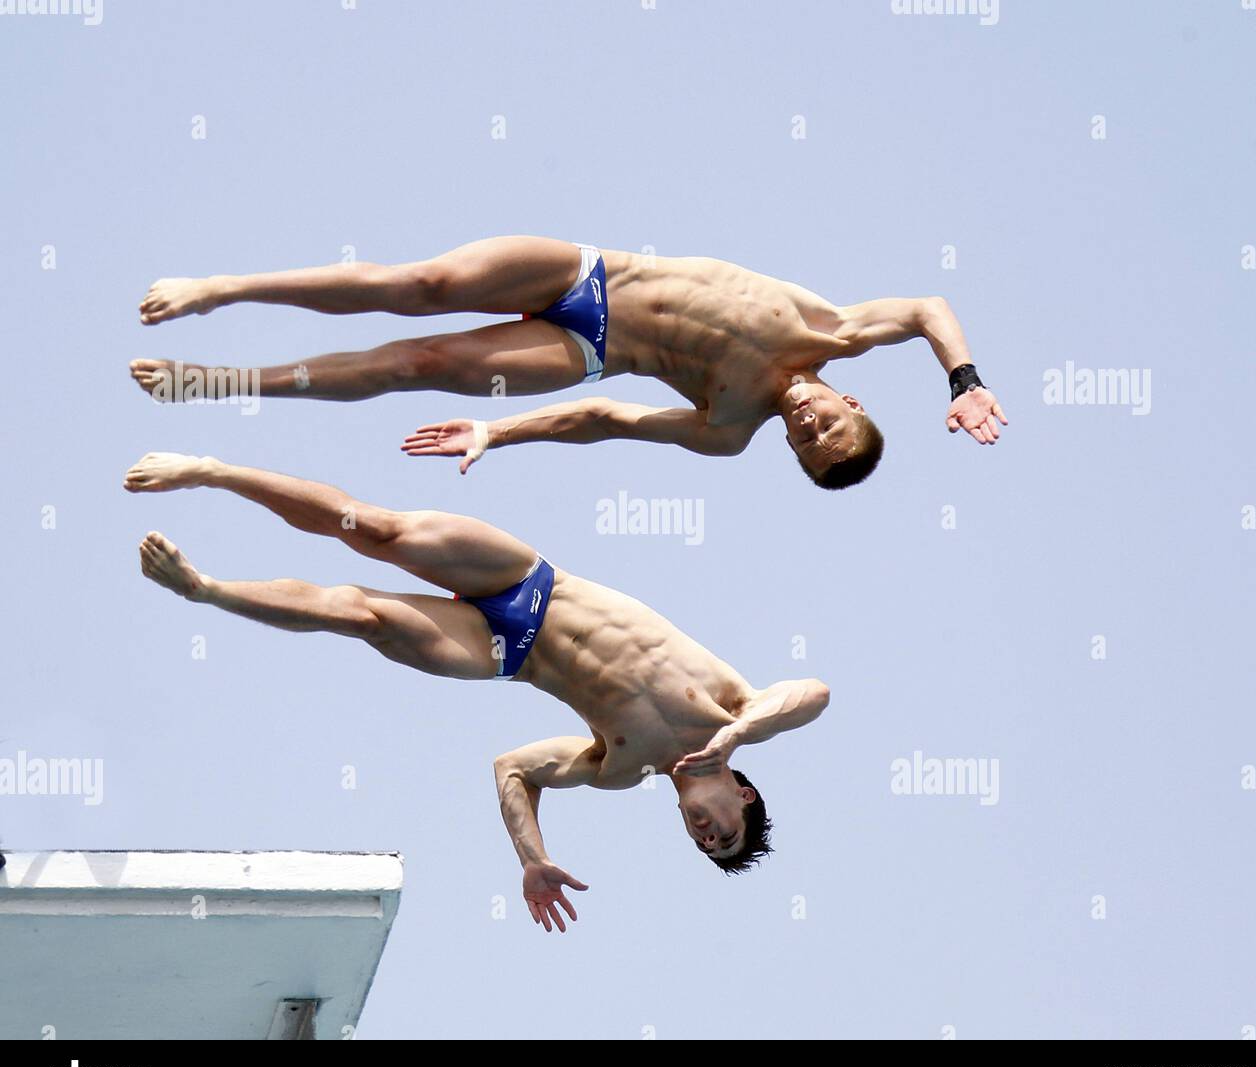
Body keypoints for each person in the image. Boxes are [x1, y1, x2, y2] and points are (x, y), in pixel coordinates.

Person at [124, 453, 831, 932]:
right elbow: (815, 692)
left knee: (361, 616)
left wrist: (530, 858)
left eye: (702, 845)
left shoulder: (622, 771)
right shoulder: (738, 712)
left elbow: (513, 769)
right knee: (372, 527)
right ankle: (211, 472)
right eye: (724, 831)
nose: (704, 833)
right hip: (532, 584)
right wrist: (734, 737)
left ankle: (205, 589)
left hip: (504, 650)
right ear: (743, 793)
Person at [133, 237, 1007, 489]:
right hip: (591, 273)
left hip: (586, 350)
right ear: (849, 400)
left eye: (812, 449)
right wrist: (964, 381)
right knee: (422, 282)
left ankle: (221, 381)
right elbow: (930, 306)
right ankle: (223, 287)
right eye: (835, 428)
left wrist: (496, 432)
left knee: (417, 363)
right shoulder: (835, 331)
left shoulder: (728, 430)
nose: (814, 431)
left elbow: (606, 419)